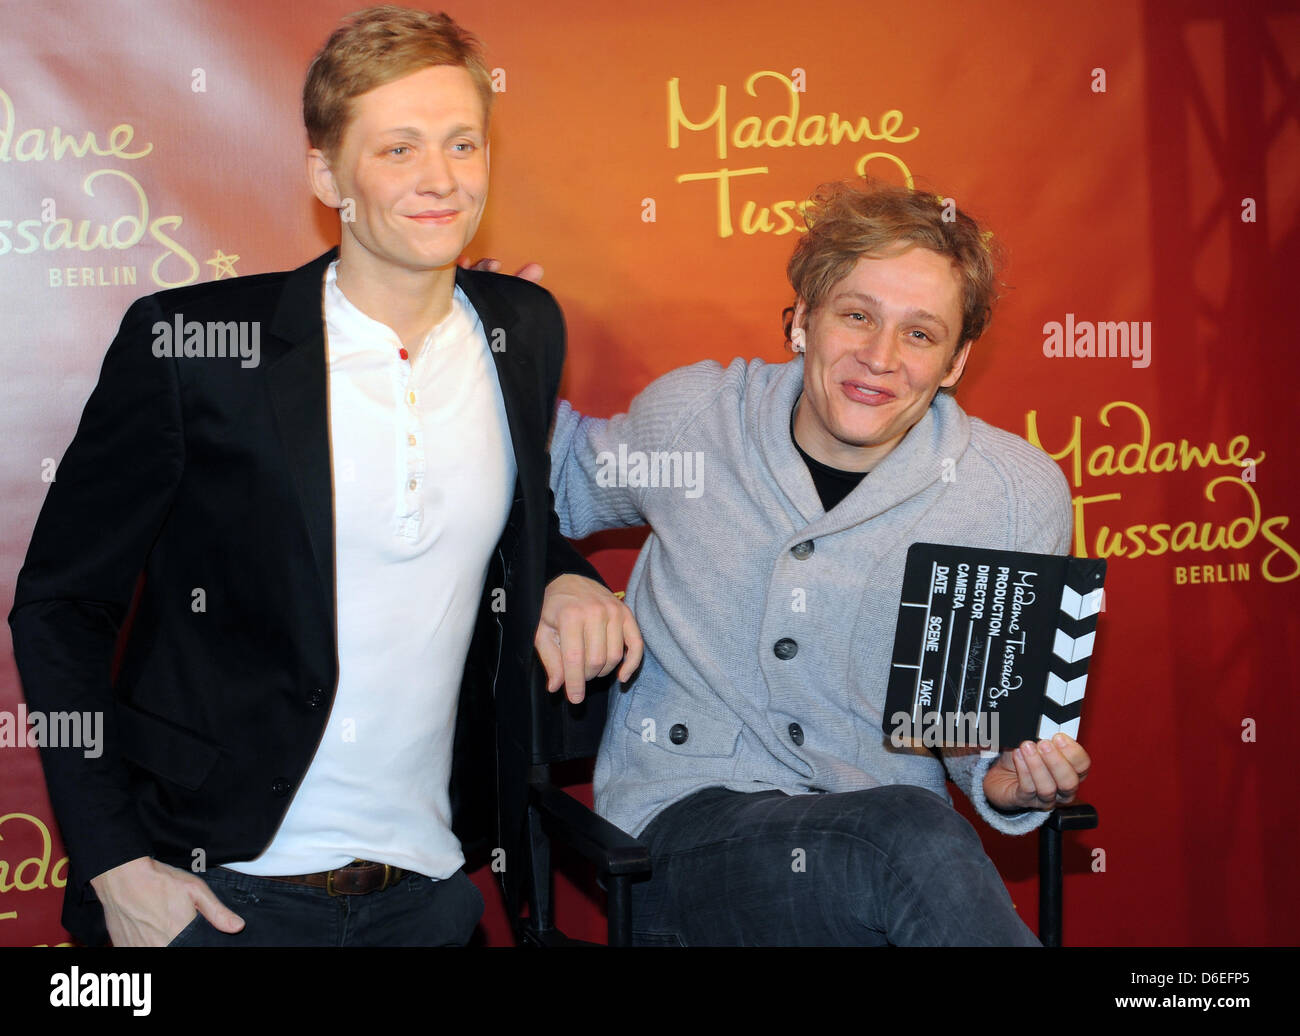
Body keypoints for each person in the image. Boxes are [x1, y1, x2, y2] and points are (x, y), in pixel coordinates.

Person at [8, 5, 637, 948]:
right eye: (398, 150)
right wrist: (111, 863)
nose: (440, 180)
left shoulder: (523, 328)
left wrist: (563, 575)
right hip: (213, 893)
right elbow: (57, 607)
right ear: (325, 172)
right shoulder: (194, 348)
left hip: (431, 890)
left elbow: (514, 520)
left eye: (462, 143)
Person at [548, 179, 1091, 945]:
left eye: (920, 335)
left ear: (957, 360)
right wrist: (479, 337)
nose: (880, 359)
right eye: (857, 315)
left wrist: (1000, 778)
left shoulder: (1004, 496)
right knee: (905, 837)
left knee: (901, 843)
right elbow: (556, 480)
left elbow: (965, 721)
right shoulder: (699, 423)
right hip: (684, 840)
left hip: (891, 852)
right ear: (802, 320)